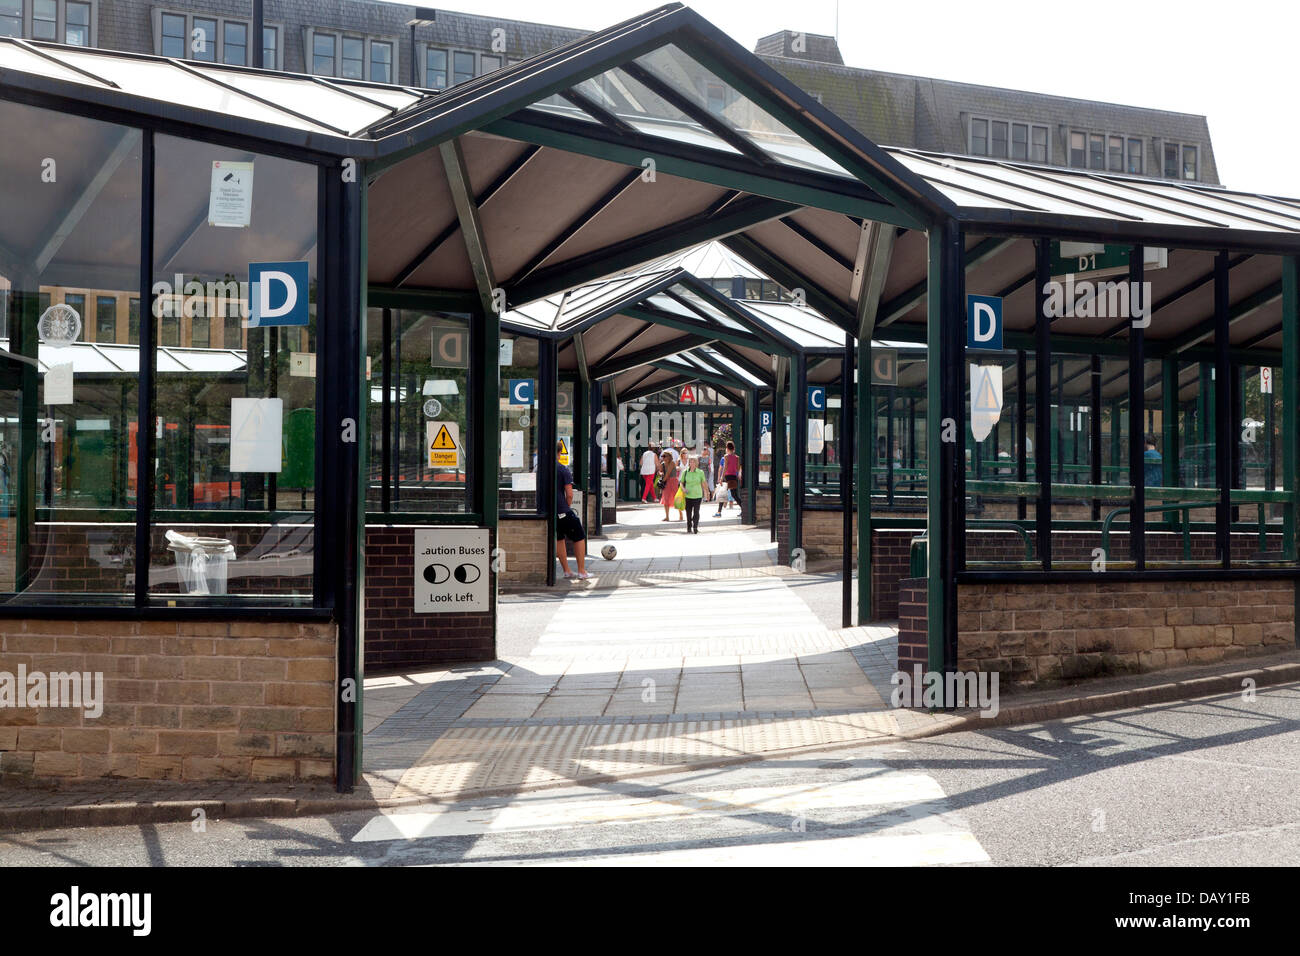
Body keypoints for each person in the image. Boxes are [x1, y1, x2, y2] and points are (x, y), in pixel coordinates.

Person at [555, 441, 589, 580]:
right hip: (562, 509)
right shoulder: (563, 469)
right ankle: (581, 571)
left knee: (559, 538)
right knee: (579, 535)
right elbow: (569, 494)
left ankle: (567, 571)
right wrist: (567, 507)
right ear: (560, 452)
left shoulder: (540, 469)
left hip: (550, 511)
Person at [715, 440, 741, 516]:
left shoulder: (726, 457)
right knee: (734, 495)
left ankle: (719, 512)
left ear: (727, 448)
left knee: (722, 493)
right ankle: (743, 509)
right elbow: (738, 468)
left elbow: (725, 468)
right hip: (734, 477)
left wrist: (721, 478)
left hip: (727, 476)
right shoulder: (737, 457)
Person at [681, 454, 706, 533]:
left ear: (696, 463)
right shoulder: (685, 472)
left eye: (693, 462)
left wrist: (706, 493)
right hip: (688, 496)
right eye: (690, 462)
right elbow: (681, 483)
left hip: (697, 495)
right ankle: (689, 527)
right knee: (688, 513)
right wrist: (683, 489)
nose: (692, 464)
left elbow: (703, 483)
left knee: (696, 512)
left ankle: (695, 527)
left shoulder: (700, 472)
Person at [659, 449, 679, 522]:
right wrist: (660, 473)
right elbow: (660, 471)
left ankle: (681, 514)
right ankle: (667, 516)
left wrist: (662, 482)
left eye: (665, 456)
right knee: (666, 498)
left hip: (672, 481)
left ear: (669, 457)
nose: (663, 458)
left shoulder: (672, 463)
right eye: (662, 456)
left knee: (676, 497)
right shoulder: (662, 464)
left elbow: (667, 474)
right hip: (666, 481)